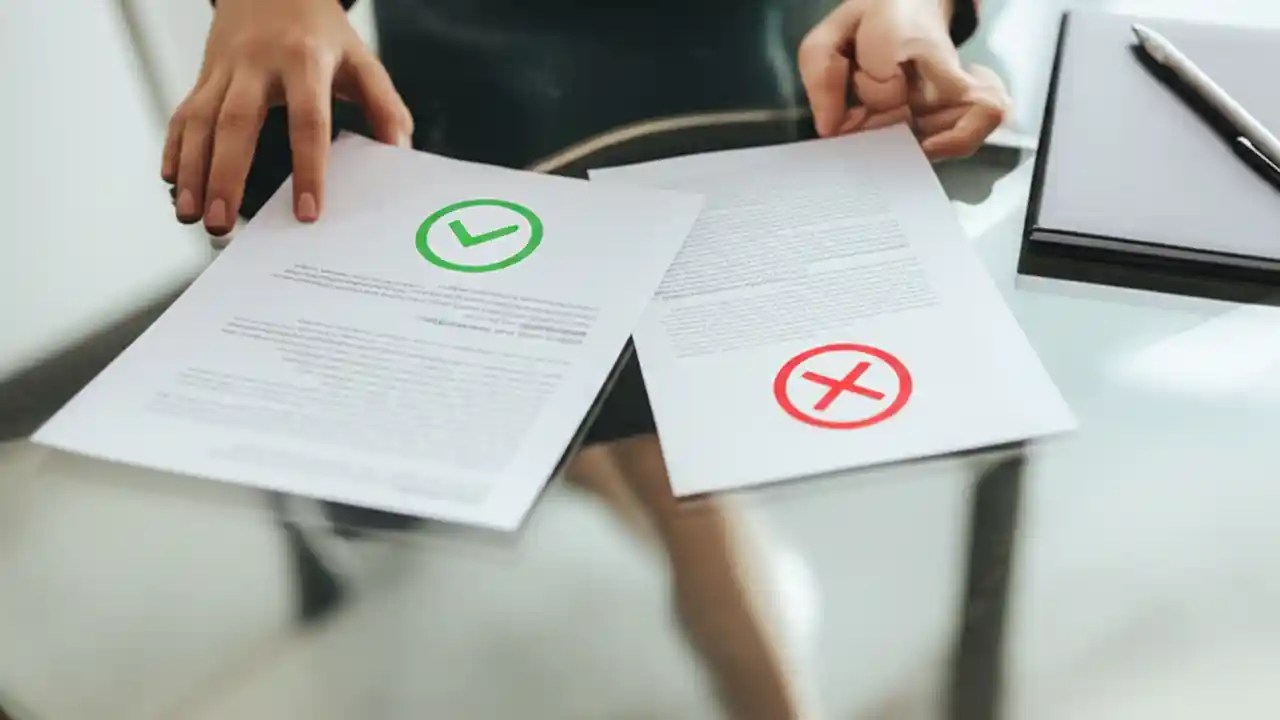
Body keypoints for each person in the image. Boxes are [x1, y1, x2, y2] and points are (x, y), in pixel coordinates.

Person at [165, 2, 1007, 718]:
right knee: (650, 432)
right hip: (494, 67)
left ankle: (613, 471)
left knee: (651, 406)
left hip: (767, 52)